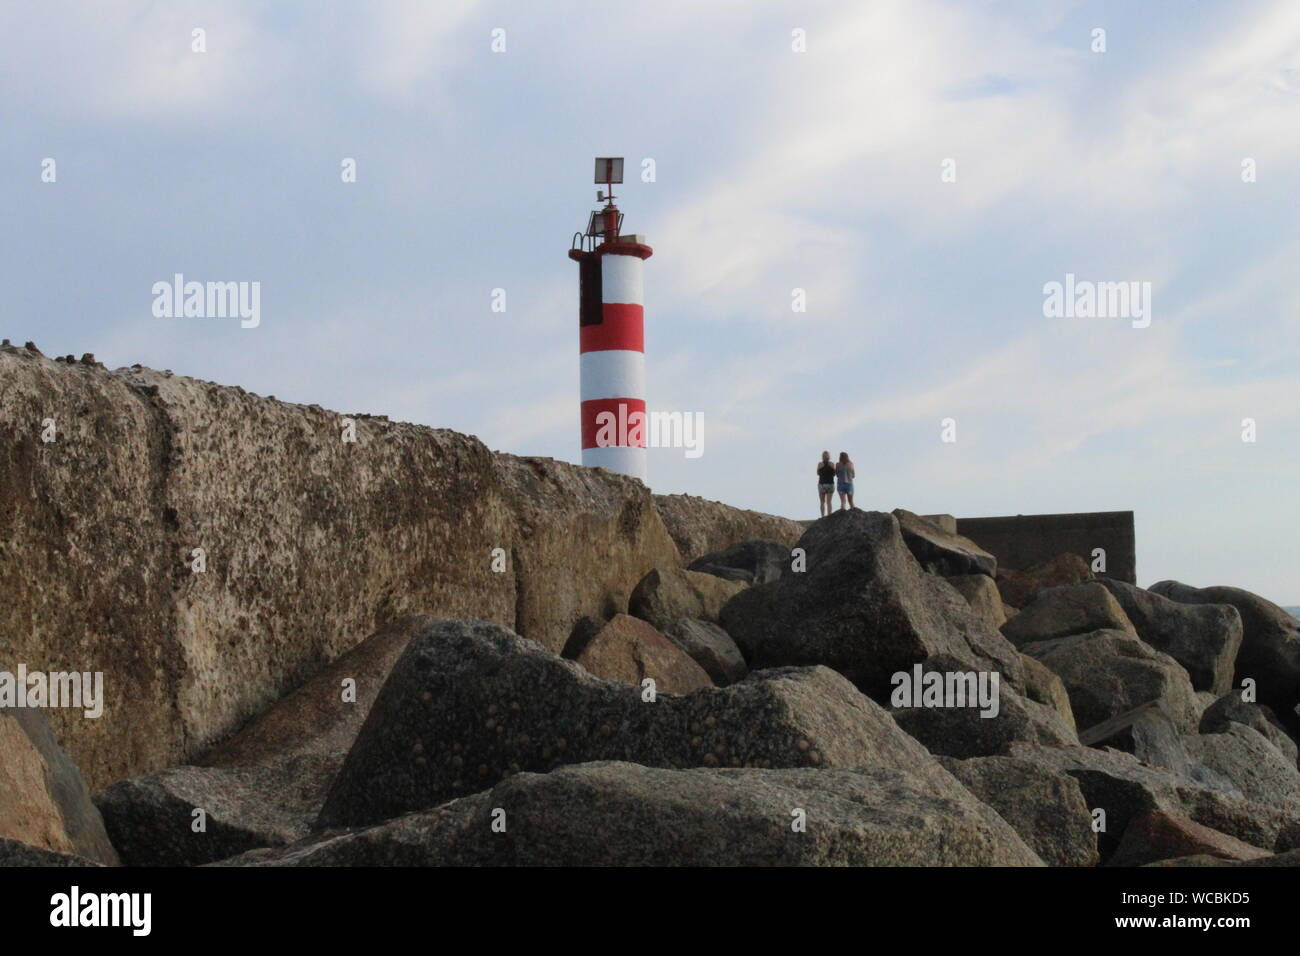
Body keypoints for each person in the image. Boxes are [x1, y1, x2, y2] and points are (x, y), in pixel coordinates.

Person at [816, 451, 836, 517]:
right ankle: (829, 516)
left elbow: (818, 473)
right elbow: (834, 474)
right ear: (829, 456)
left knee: (822, 502)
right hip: (830, 484)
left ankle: (822, 516)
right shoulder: (832, 464)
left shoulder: (820, 464)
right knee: (829, 502)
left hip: (822, 484)